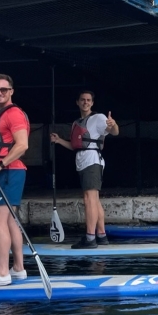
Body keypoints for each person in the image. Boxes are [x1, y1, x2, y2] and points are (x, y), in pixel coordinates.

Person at [51, 91, 119, 249]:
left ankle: (90, 238)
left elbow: (114, 132)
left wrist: (113, 124)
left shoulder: (99, 118)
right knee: (94, 199)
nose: (85, 102)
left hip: (92, 161)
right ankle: (101, 236)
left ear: (92, 103)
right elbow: (75, 146)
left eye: (88, 100)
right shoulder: (76, 123)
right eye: (83, 100)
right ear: (77, 102)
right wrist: (59, 140)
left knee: (89, 199)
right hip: (82, 161)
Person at [0, 74, 30, 285]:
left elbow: (22, 145)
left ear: (11, 91)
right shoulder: (1, 114)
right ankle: (18, 269)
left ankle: (2, 273)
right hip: (9, 172)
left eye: (4, 89)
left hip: (8, 171)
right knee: (10, 220)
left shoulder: (13, 114)